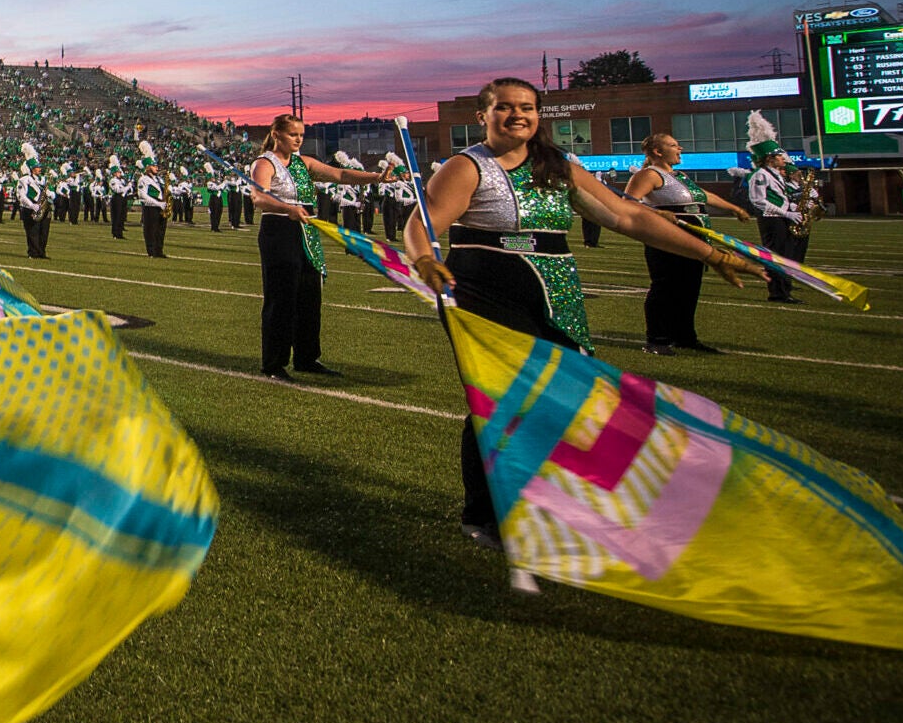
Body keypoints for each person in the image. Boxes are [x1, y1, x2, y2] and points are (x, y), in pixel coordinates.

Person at [404, 78, 757, 548]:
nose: (517, 115)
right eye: (504, 107)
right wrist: (425, 260)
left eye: (527, 107)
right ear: (482, 116)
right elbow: (420, 223)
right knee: (502, 402)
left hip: (556, 290)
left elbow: (626, 216)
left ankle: (551, 499)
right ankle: (486, 513)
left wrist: (709, 255)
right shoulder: (466, 167)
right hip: (485, 288)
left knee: (570, 397)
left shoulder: (559, 166)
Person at [246, 115, 395, 380]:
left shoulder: (304, 163)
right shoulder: (264, 163)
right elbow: (259, 197)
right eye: (293, 134)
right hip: (279, 231)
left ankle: (307, 357)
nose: (299, 139)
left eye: (301, 134)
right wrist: (287, 208)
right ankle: (274, 364)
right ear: (276, 134)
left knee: (309, 297)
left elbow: (340, 174)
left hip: (307, 230)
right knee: (281, 298)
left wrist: (376, 177)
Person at [626, 135, 753, 355]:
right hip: (666, 239)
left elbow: (705, 196)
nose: (680, 148)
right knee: (665, 288)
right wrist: (656, 213)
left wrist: (733, 208)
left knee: (688, 289)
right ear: (657, 151)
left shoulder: (680, 176)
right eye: (674, 145)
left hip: (694, 239)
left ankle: (685, 336)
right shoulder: (649, 175)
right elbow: (628, 202)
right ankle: (657, 339)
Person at [743, 137, 805, 303]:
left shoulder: (775, 175)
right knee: (776, 256)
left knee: (786, 256)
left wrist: (792, 207)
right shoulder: (761, 175)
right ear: (769, 159)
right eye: (779, 156)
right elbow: (759, 201)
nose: (782, 159)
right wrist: (786, 213)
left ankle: (785, 290)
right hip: (772, 220)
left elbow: (779, 197)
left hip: (781, 217)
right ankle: (778, 293)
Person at [137, 159, 170, 259]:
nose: (157, 168)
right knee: (151, 230)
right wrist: (158, 203)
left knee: (160, 230)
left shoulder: (158, 179)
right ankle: (152, 251)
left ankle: (159, 250)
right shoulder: (143, 179)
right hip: (150, 207)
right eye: (154, 166)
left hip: (160, 206)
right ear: (148, 167)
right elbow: (142, 195)